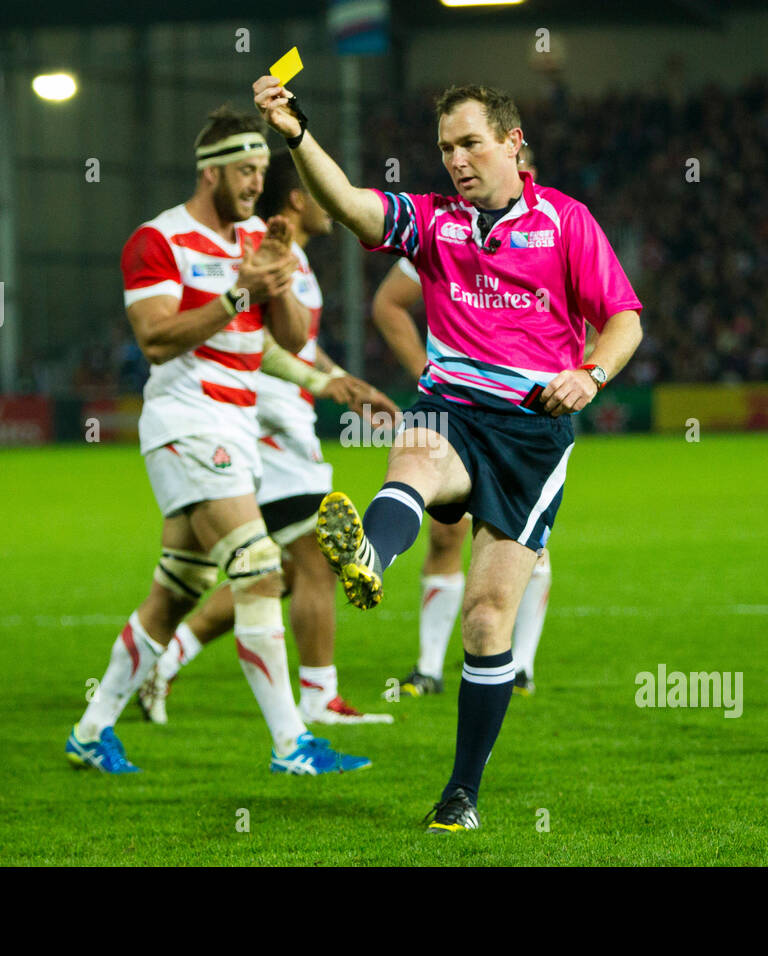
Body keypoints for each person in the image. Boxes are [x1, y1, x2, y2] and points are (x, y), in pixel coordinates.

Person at [252, 78, 643, 830]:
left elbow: (622, 318)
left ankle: (461, 794)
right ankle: (369, 553)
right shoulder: (434, 223)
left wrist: (591, 374)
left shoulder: (566, 222)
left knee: (488, 622)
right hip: (454, 407)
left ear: (511, 143)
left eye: (468, 144)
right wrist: (297, 136)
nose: (456, 160)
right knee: (419, 450)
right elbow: (353, 205)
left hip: (533, 435)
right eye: (445, 149)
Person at [65, 108, 369, 775]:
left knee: (175, 592)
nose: (257, 182)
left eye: (263, 169)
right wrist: (239, 293)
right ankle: (292, 745)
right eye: (245, 170)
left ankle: (91, 731)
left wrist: (277, 273)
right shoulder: (158, 240)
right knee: (262, 570)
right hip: (186, 423)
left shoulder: (259, 236)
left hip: (236, 430)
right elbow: (155, 336)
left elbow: (282, 340)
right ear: (211, 171)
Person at [138, 151, 399, 727]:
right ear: (300, 200)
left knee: (268, 573)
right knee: (313, 559)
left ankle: (161, 660)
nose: (337, 201)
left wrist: (338, 381)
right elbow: (256, 345)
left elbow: (297, 346)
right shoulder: (271, 258)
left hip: (282, 420)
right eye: (323, 193)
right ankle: (316, 701)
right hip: (267, 424)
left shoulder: (292, 258)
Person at [371, 144, 550, 698]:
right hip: (458, 410)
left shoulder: (556, 231)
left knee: (527, 543)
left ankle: (518, 665)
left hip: (528, 417)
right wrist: (428, 369)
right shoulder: (447, 231)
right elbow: (388, 304)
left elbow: (608, 314)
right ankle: (428, 667)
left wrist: (580, 372)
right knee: (445, 536)